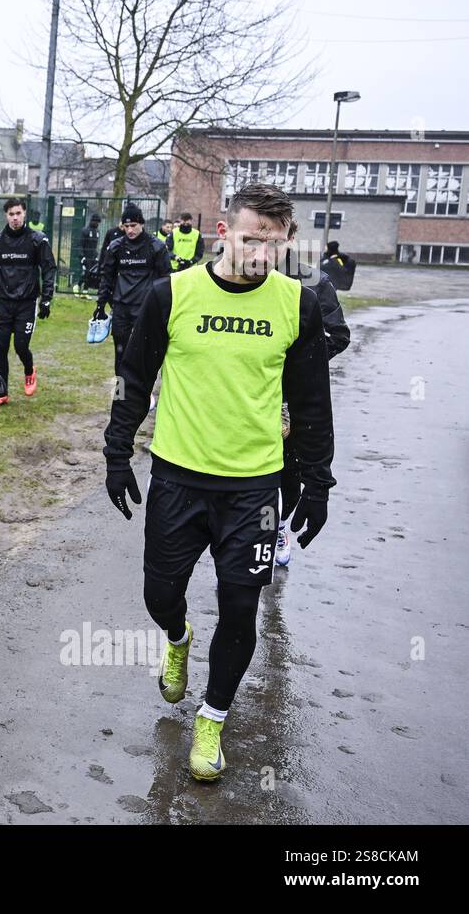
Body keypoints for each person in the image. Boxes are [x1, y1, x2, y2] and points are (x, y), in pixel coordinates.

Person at [103, 182, 335, 781]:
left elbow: (312, 401)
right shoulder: (171, 294)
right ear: (225, 232)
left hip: (255, 487)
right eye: (253, 238)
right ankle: (177, 638)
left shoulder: (297, 305)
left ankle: (212, 720)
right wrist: (115, 452)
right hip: (178, 476)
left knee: (239, 607)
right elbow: (133, 376)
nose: (262, 253)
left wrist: (316, 482)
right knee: (160, 596)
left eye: (276, 243)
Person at [275, 221, 350, 566]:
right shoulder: (240, 276)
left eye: (279, 236)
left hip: (291, 399)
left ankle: (276, 525)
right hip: (242, 395)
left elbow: (337, 334)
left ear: (291, 238)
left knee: (288, 469)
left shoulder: (313, 281)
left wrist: (297, 362)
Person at [0, 199, 55, 405]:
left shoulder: (37, 240)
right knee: (1, 346)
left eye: (18, 213)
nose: (15, 218)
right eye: (11, 214)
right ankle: (1, 392)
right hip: (3, 302)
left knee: (21, 345)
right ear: (6, 216)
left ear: (24, 214)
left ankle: (29, 370)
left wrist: (46, 299)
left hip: (27, 302)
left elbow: (49, 269)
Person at [94, 203, 170, 379]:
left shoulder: (155, 247)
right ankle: (121, 395)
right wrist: (100, 304)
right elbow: (107, 277)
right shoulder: (116, 247)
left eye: (133, 226)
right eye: (126, 226)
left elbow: (166, 279)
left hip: (145, 308)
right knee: (120, 353)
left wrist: (163, 308)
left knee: (143, 354)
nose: (129, 230)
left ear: (142, 224)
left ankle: (144, 394)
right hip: (121, 308)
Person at [79, 213, 103, 291]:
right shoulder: (85, 230)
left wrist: (96, 255)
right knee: (86, 272)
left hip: (93, 256)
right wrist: (82, 256)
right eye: (96, 222)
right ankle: (78, 286)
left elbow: (96, 245)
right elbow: (80, 244)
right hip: (85, 255)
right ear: (92, 221)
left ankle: (85, 291)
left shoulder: (97, 232)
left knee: (92, 273)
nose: (97, 224)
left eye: (98, 223)